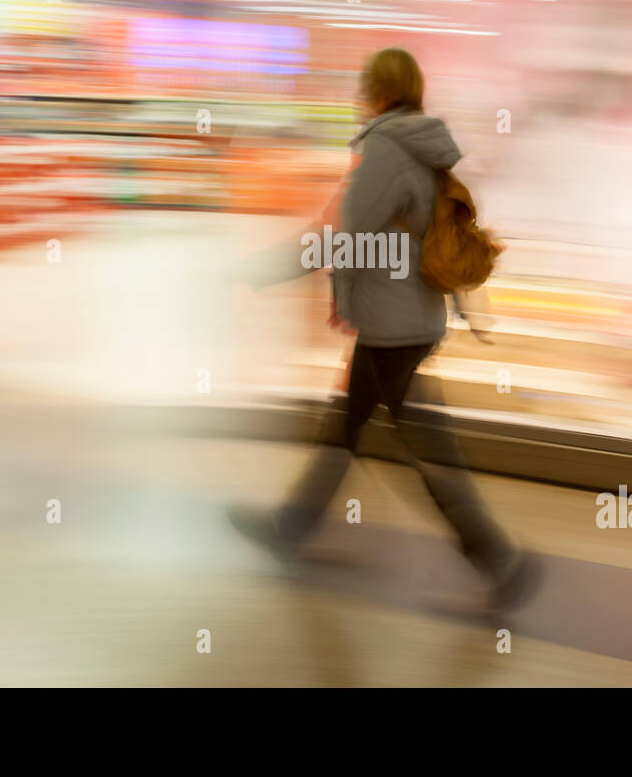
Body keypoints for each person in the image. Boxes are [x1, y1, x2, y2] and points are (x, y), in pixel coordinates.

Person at [229, 46, 542, 612]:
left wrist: (260, 270)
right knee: (346, 427)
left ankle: (499, 559)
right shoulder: (426, 146)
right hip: (408, 317)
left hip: (393, 327)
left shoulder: (385, 149)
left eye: (361, 89)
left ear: (376, 92)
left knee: (422, 447)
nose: (356, 101)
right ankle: (288, 528)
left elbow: (340, 237)